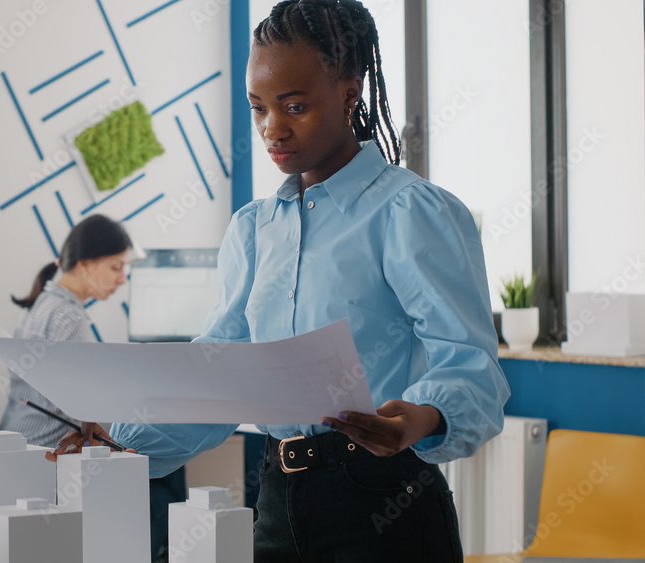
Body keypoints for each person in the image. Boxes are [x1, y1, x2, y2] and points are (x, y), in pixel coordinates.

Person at [50, 1, 511, 560]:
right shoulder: (252, 229)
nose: (273, 128)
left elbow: (474, 368)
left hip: (385, 500)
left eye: (294, 106)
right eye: (258, 108)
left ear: (348, 91)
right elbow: (220, 373)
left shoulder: (411, 212)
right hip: (277, 496)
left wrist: (422, 416)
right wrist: (117, 440)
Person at [0, 214, 131, 448]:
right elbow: (84, 404)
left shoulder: (39, 303)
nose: (122, 279)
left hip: (17, 442)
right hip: (42, 454)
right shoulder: (68, 317)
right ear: (85, 265)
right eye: (115, 267)